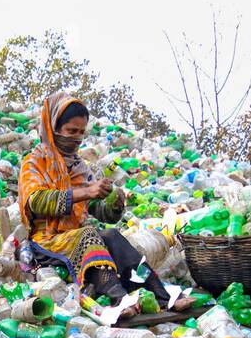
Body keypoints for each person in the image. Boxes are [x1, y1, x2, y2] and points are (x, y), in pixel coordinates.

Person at [18, 92, 190, 316]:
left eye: (81, 132)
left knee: (111, 235)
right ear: (54, 129)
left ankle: (161, 295)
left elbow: (98, 212)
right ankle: (117, 297)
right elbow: (37, 202)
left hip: (76, 238)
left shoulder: (79, 168)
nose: (77, 138)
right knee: (88, 234)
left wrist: (114, 204)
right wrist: (85, 191)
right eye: (71, 131)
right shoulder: (34, 163)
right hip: (46, 243)